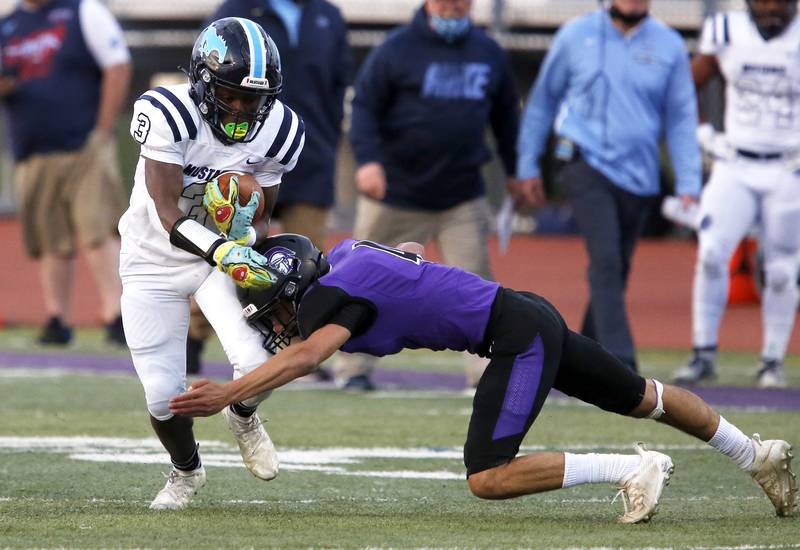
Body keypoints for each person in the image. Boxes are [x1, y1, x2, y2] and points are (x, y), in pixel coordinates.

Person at [169, 234, 797, 521]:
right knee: (644, 396)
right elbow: (411, 250)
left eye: (278, 309)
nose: (280, 324)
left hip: (514, 336)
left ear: (297, 290)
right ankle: (754, 455)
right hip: (526, 312)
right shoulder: (350, 255)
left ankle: (631, 470)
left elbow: (309, 357)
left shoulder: (328, 296)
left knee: (487, 474)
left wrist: (229, 392)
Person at [119, 17, 305, 510]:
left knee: (260, 363)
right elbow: (164, 210)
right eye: (232, 95)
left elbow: (261, 212)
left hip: (215, 262)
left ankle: (243, 415)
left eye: (254, 98)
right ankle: (186, 472)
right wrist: (224, 246)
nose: (243, 109)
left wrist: (244, 229)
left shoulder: (281, 129)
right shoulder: (167, 111)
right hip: (152, 257)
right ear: (203, 82)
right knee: (162, 396)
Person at [337, 0, 536, 390]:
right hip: (395, 193)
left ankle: (485, 374)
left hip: (460, 196)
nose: (454, 6)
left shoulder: (487, 51)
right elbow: (364, 108)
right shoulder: (396, 48)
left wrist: (515, 171)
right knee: (362, 280)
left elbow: (506, 119)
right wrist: (369, 162)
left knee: (477, 289)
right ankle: (352, 370)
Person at [516, 0, 702, 372]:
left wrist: (688, 180)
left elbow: (681, 116)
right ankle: (620, 361)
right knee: (606, 260)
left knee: (617, 269)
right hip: (583, 162)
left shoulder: (669, 45)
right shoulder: (575, 35)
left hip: (640, 174)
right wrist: (527, 165)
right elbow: (542, 102)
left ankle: (575, 357)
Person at [184, 0, 353, 374]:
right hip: (239, 156)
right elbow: (207, 78)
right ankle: (193, 336)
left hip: (310, 151)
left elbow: (341, 82)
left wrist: (325, 133)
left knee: (308, 261)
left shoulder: (326, 15)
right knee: (232, 248)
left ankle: (302, 344)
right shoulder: (236, 9)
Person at [672, 0, 800, 389]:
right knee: (711, 253)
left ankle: (772, 361)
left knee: (781, 269)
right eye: (763, 0)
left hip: (788, 165)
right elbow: (684, 87)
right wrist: (699, 130)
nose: (771, 7)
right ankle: (703, 353)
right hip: (735, 162)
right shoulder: (726, 31)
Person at [0, 0, 131, 346]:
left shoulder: (83, 11)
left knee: (97, 229)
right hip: (32, 152)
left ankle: (117, 314)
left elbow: (118, 67)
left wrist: (102, 133)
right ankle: (57, 317)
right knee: (49, 240)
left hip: (83, 145)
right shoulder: (9, 27)